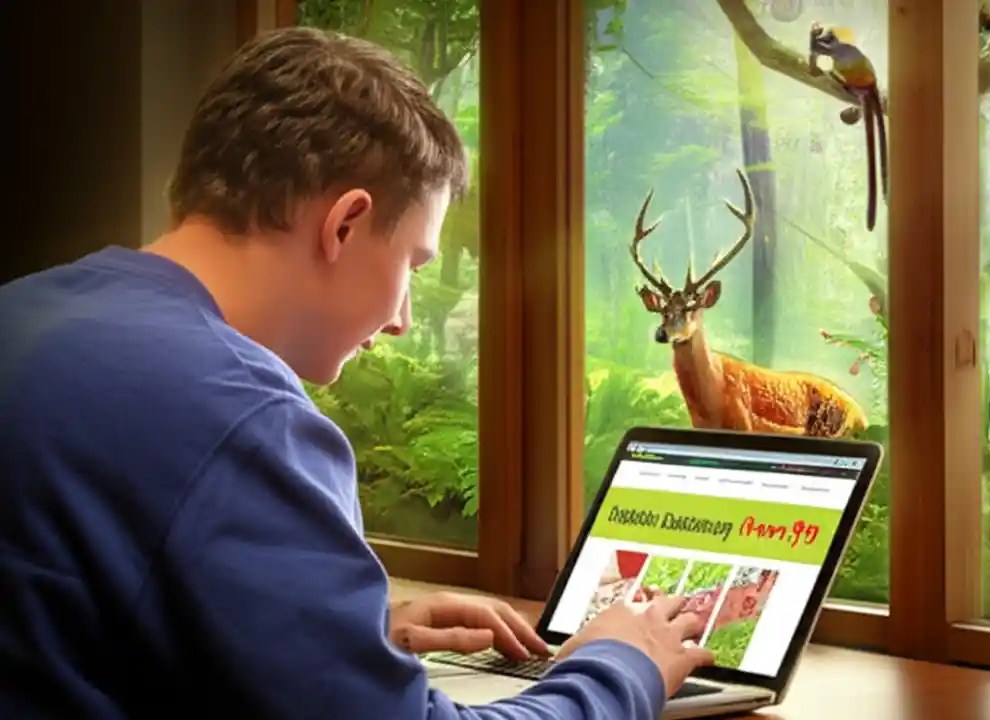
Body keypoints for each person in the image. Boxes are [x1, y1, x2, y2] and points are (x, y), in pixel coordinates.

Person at [0, 26, 713, 719]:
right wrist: (622, 666)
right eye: (413, 264)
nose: (402, 318)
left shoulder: (26, 313)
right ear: (344, 223)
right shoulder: (242, 416)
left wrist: (347, 635)